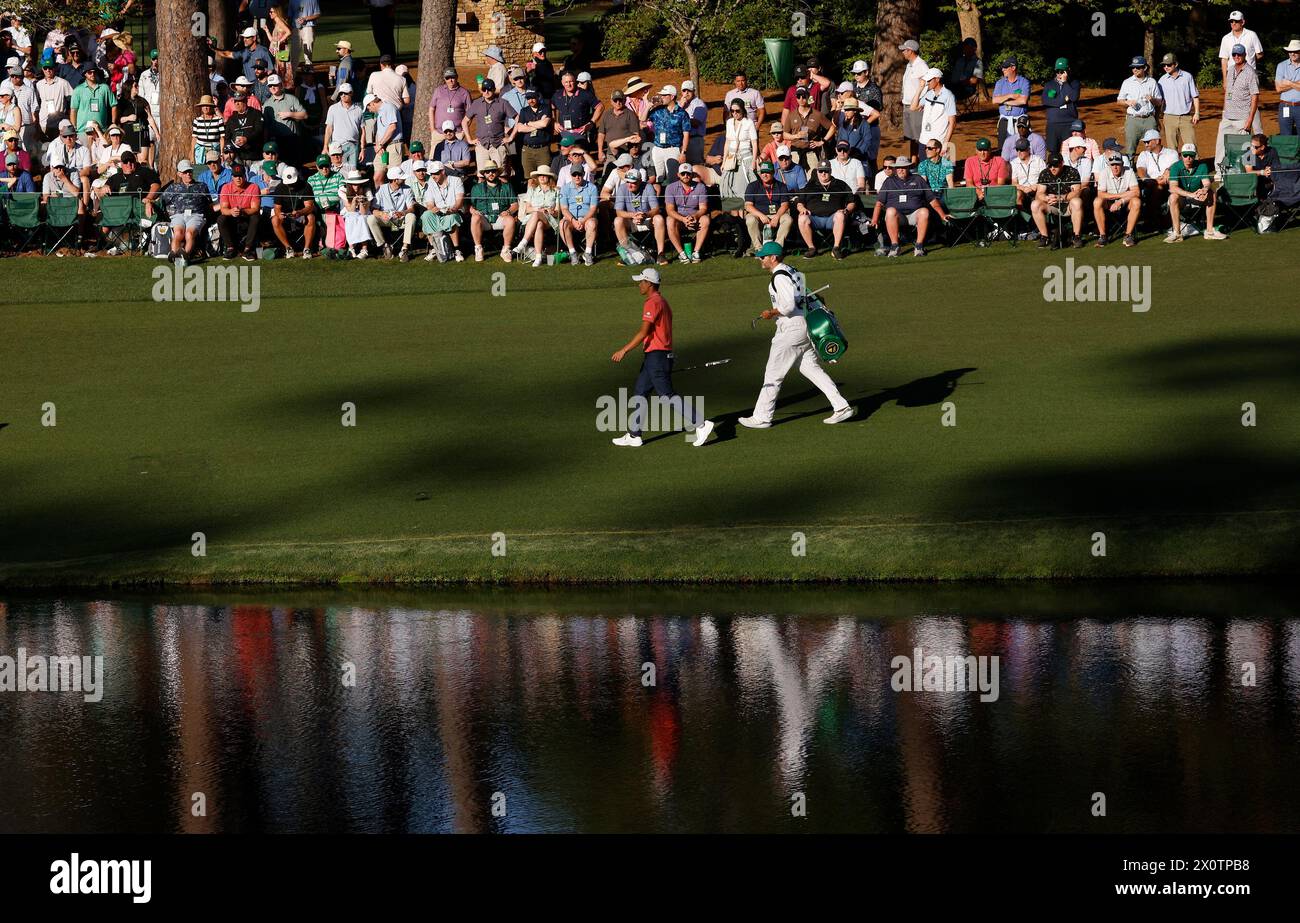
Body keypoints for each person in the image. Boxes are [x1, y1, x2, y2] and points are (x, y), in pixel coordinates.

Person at [739, 242, 855, 429]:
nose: (760, 259)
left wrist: (771, 312)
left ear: (773, 258)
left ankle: (762, 417)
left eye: (763, 256)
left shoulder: (779, 277)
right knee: (810, 368)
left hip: (792, 329)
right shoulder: (792, 271)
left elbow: (788, 306)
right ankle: (841, 407)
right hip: (805, 326)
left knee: (773, 373)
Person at [610, 267, 714, 448]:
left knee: (666, 396)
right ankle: (634, 435)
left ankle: (701, 423)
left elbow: (644, 331)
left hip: (657, 356)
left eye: (641, 282)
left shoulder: (652, 303)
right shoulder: (662, 302)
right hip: (656, 356)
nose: (639, 285)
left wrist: (624, 350)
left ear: (649, 283)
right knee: (641, 391)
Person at [870, 155, 949, 257]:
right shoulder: (889, 182)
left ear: (908, 168)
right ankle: (895, 246)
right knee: (890, 211)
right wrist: (874, 219)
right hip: (898, 216)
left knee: (924, 211)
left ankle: (919, 246)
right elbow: (879, 203)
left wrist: (943, 215)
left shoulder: (918, 179)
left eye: (903, 167)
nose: (900, 170)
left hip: (914, 215)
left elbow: (932, 200)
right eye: (898, 167)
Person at [1167, 143, 1227, 241]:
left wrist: (1205, 190)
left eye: (1191, 155)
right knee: (1173, 197)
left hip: (1198, 197)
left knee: (1212, 193)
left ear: (1195, 156)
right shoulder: (1175, 167)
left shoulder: (1202, 166)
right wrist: (1191, 194)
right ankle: (1177, 233)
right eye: (1185, 155)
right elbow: (1173, 187)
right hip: (1182, 198)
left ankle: (1209, 231)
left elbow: (1206, 183)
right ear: (1181, 155)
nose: (1188, 158)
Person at [464, 77, 516, 179]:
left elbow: (517, 118)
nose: (486, 91)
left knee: (501, 175)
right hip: (482, 144)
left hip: (498, 144)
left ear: (494, 89)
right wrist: (469, 139)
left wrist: (511, 137)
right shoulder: (477, 103)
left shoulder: (502, 103)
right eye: (484, 89)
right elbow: (464, 121)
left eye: (489, 89)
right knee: (481, 176)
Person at [161, 159, 212, 263]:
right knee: (178, 233)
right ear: (179, 174)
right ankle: (174, 254)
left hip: (196, 215)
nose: (188, 174)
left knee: (189, 233)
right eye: (185, 172)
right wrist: (148, 202)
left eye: (190, 171)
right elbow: (160, 201)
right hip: (178, 215)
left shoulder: (202, 186)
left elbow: (209, 204)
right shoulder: (173, 187)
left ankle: (185, 256)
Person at [612, 167, 666, 264]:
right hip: (631, 220)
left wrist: (645, 215)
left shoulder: (648, 187)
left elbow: (656, 209)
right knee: (617, 220)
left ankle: (661, 254)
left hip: (647, 219)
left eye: (633, 182)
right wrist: (633, 215)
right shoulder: (622, 188)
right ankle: (629, 254)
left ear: (640, 181)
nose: (630, 185)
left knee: (659, 218)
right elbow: (618, 212)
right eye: (628, 182)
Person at [1031, 152, 1085, 247]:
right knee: (1035, 204)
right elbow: (1039, 193)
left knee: (1077, 202)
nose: (1052, 168)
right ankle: (1045, 236)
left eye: (1055, 165)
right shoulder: (1045, 173)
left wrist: (1061, 198)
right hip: (1052, 204)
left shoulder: (1071, 172)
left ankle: (1076, 236)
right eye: (1050, 165)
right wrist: (1046, 198)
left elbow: (1077, 192)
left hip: (1068, 204)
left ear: (1062, 163)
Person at [1217, 44, 1258, 166]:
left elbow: (1255, 96)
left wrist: (1250, 120)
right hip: (1227, 117)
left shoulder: (1251, 73)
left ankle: (1246, 172)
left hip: (1242, 118)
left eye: (1239, 54)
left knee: (1244, 147)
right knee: (1220, 147)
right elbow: (1227, 93)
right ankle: (1219, 171)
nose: (1236, 56)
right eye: (1234, 54)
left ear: (1245, 55)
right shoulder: (1230, 70)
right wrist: (1224, 111)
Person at [1219, 10, 1264, 123]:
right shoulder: (1226, 38)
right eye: (1231, 21)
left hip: (1249, 75)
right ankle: (1229, 123)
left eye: (1236, 21)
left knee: (1252, 100)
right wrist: (1225, 79)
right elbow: (1224, 59)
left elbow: (1260, 54)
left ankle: (1258, 133)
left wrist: (1249, 62)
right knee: (1230, 99)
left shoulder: (1251, 35)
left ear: (1242, 22)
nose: (1233, 23)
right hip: (1232, 75)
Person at [468, 160, 518, 262]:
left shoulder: (507, 186)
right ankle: (478, 249)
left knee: (510, 219)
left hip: (501, 217)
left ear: (497, 172)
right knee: (475, 218)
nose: (490, 173)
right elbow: (471, 206)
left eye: (493, 171)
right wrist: (473, 211)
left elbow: (515, 205)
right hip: (484, 218)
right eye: (488, 171)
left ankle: (506, 250)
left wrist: (508, 212)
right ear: (484, 174)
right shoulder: (476, 188)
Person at [743, 159, 793, 255]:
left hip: (776, 215)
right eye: (762, 172)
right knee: (750, 219)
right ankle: (759, 249)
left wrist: (777, 217)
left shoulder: (781, 186)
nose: (764, 175)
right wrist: (761, 216)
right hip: (759, 216)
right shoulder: (752, 186)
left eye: (767, 172)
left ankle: (777, 248)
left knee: (788, 219)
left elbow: (785, 205)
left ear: (773, 173)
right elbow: (748, 206)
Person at [419, 160, 464, 262]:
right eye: (431, 174)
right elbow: (429, 203)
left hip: (453, 211)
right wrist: (433, 208)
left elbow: (459, 201)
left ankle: (457, 250)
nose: (433, 176)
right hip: (438, 212)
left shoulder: (456, 180)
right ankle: (435, 248)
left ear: (443, 172)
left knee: (451, 217)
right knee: (426, 215)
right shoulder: (430, 183)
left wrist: (453, 208)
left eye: (436, 173)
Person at [664, 162, 709, 263]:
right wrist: (683, 219)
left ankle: (696, 252)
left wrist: (695, 216)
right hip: (679, 219)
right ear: (678, 175)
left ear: (692, 175)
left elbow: (703, 208)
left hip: (694, 217)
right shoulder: (670, 188)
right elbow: (669, 210)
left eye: (688, 173)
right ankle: (681, 253)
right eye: (683, 173)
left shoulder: (700, 187)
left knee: (705, 219)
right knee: (669, 220)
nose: (686, 176)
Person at [515, 163, 560, 267]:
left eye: (545, 175)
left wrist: (552, 211)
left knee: (537, 214)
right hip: (533, 219)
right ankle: (538, 257)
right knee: (538, 223)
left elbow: (558, 211)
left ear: (549, 177)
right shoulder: (532, 190)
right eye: (540, 175)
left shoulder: (556, 191)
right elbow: (527, 209)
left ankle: (523, 243)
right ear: (537, 177)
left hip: (550, 219)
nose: (542, 177)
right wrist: (538, 209)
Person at [366, 165, 414, 260]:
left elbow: (411, 208)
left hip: (401, 219)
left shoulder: (407, 189)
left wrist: (403, 213)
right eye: (401, 178)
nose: (404, 180)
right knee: (370, 218)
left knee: (411, 216)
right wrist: (381, 214)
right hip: (386, 219)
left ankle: (404, 249)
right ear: (395, 180)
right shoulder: (381, 189)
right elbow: (373, 209)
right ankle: (385, 246)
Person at [1091, 152, 1139, 247]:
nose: (1115, 167)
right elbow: (1100, 194)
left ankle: (1128, 236)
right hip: (1109, 203)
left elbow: (1136, 192)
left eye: (1117, 164)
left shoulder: (1129, 171)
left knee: (1137, 201)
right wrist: (1120, 196)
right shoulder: (1104, 172)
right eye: (1112, 164)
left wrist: (1121, 201)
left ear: (1122, 164)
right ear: (1109, 165)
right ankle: (1103, 236)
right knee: (1097, 201)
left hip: (1125, 203)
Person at [1117, 56, 1162, 156]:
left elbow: (1159, 102)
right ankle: (1130, 170)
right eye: (1133, 67)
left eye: (1138, 67)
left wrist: (1152, 99)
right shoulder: (1127, 82)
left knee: (1154, 147)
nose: (1135, 69)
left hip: (1149, 119)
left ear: (1145, 68)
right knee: (1130, 149)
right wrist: (1127, 102)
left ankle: (1154, 169)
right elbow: (1119, 101)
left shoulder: (1152, 82)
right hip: (1133, 119)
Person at [217, 162, 261, 260]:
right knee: (221, 218)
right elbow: (223, 209)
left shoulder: (253, 187)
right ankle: (230, 248)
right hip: (232, 218)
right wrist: (231, 211)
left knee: (255, 217)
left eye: (240, 176)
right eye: (236, 176)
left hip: (247, 217)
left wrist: (243, 211)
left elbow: (255, 209)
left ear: (244, 176)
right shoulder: (226, 187)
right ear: (232, 177)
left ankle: (248, 249)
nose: (238, 178)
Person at [647, 84, 691, 182]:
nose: (661, 97)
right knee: (658, 178)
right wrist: (649, 105)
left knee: (673, 178)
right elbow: (642, 119)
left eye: (664, 95)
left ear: (672, 97)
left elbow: (686, 134)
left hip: (673, 149)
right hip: (657, 148)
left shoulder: (682, 114)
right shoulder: (657, 110)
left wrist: (683, 152)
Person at [1158, 53, 1199, 152]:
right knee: (1172, 149)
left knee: (1191, 146)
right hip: (1169, 118)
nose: (1166, 67)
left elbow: (1195, 96)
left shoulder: (1187, 76)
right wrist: (1158, 117)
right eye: (1164, 65)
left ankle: (1195, 167)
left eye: (1169, 65)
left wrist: (1197, 113)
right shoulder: (1162, 80)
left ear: (1175, 64)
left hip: (1186, 117)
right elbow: (1159, 101)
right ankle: (1175, 167)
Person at [559, 162, 599, 263]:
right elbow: (564, 209)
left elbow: (593, 208)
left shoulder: (592, 187)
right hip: (571, 219)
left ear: (583, 174)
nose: (577, 177)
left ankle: (588, 253)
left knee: (592, 223)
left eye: (579, 174)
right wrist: (573, 221)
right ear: (571, 175)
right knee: (562, 224)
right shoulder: (564, 188)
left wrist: (583, 220)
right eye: (574, 174)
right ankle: (572, 253)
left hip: (587, 218)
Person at [721, 97, 759, 202]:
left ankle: (745, 213)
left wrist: (754, 161)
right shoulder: (729, 122)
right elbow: (727, 142)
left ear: (742, 109)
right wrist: (724, 162)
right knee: (727, 185)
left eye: (737, 110)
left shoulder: (749, 122)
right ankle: (733, 215)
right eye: (732, 111)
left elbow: (754, 143)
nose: (735, 113)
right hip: (731, 158)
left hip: (745, 157)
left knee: (743, 187)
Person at [1042, 57, 1081, 154]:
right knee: (1053, 152)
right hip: (1053, 124)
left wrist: (1065, 83)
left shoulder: (1074, 83)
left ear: (1068, 70)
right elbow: (1045, 101)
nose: (1059, 74)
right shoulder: (1049, 85)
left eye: (1062, 71)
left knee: (1070, 152)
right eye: (1057, 71)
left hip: (1069, 123)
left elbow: (1074, 97)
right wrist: (1064, 100)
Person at [991, 57, 1031, 148]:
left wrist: (1004, 101)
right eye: (1002, 67)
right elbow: (994, 100)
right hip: (1004, 120)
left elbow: (1023, 100)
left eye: (1005, 67)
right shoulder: (1000, 83)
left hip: (1020, 121)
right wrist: (1010, 96)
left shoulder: (1024, 82)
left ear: (1013, 68)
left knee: (1022, 147)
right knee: (1002, 148)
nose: (1002, 69)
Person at [916, 67, 956, 156]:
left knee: (941, 169)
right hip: (924, 140)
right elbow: (913, 107)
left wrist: (946, 144)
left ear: (937, 79)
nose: (927, 83)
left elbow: (952, 122)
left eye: (929, 80)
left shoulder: (948, 96)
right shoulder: (928, 94)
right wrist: (920, 89)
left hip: (938, 142)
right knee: (924, 169)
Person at [898, 39, 928, 159]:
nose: (903, 52)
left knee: (919, 136)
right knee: (910, 136)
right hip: (907, 105)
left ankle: (922, 162)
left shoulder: (921, 65)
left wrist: (922, 103)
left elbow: (927, 86)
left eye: (904, 50)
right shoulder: (909, 65)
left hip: (916, 106)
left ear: (910, 51)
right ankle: (914, 161)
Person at [429, 67, 470, 140]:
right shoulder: (438, 91)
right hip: (439, 133)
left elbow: (470, 113)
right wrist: (433, 129)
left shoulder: (464, 93)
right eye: (447, 78)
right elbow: (431, 109)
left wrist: (463, 131)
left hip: (457, 133)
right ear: (444, 79)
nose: (450, 80)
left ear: (457, 77)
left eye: (452, 77)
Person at [1276, 40, 1300, 136]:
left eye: (1295, 51)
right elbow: (1278, 88)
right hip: (1285, 106)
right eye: (1290, 51)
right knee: (1286, 136)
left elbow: (1283, 86)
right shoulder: (1281, 66)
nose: (1292, 53)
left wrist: (1288, 82)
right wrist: (1297, 83)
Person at [680, 80, 707, 165]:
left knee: (696, 167)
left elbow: (696, 122)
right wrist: (681, 108)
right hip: (681, 141)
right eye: (684, 90)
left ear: (694, 91)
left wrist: (680, 116)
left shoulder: (699, 104)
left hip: (695, 140)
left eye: (689, 90)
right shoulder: (679, 104)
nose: (686, 93)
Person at [951, 37, 984, 102]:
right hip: (954, 86)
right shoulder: (960, 60)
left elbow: (975, 80)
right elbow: (954, 77)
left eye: (967, 46)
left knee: (948, 93)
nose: (964, 48)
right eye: (964, 46)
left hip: (967, 89)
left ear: (974, 48)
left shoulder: (978, 62)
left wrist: (961, 81)